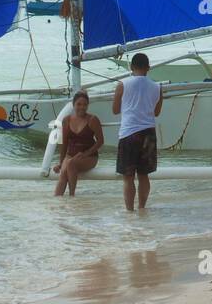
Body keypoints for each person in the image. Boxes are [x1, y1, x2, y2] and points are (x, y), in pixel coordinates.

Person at [113, 52, 163, 211]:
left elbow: (115, 110)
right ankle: (142, 208)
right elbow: (156, 112)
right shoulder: (158, 87)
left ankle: (129, 210)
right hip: (148, 133)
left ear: (131, 67)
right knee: (144, 175)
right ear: (148, 67)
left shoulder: (122, 84)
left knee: (128, 177)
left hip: (129, 133)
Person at [53, 90, 103, 197]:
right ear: (73, 105)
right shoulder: (66, 120)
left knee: (71, 164)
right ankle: (56, 203)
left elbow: (100, 141)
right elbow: (64, 143)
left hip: (89, 157)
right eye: (79, 104)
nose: (82, 107)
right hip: (70, 155)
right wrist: (61, 163)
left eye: (85, 104)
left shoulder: (93, 120)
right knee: (64, 173)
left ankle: (72, 197)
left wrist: (85, 154)